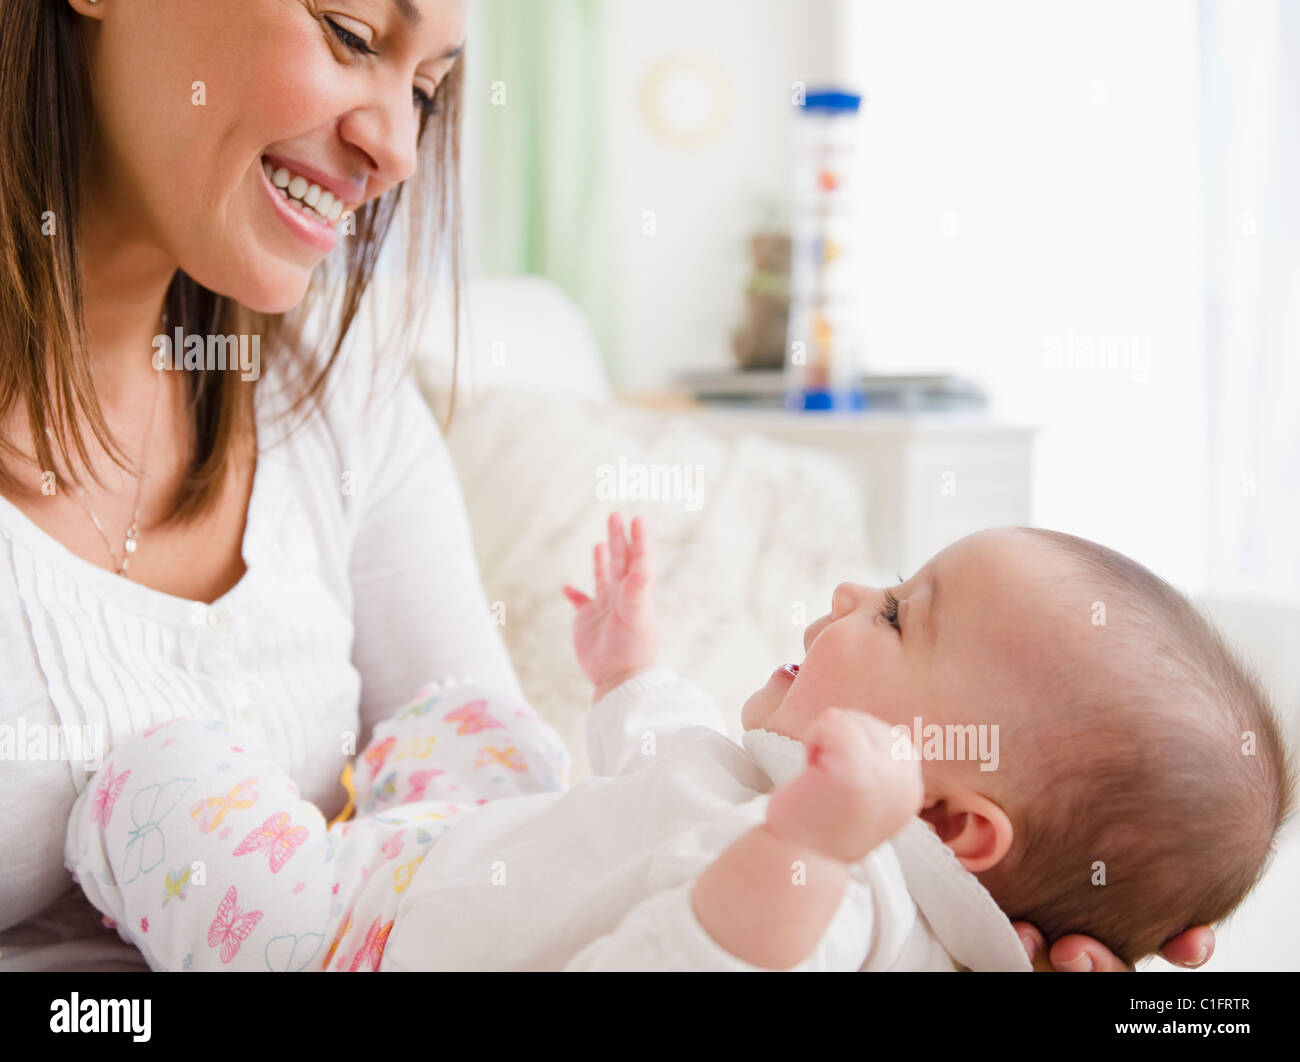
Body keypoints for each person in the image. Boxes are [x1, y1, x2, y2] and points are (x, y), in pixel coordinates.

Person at [0, 1, 1212, 972]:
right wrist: (632, 672)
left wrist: (894, 878)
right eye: (353, 36)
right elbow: (649, 750)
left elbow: (503, 759)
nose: (402, 148)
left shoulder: (336, 388)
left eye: (428, 90)